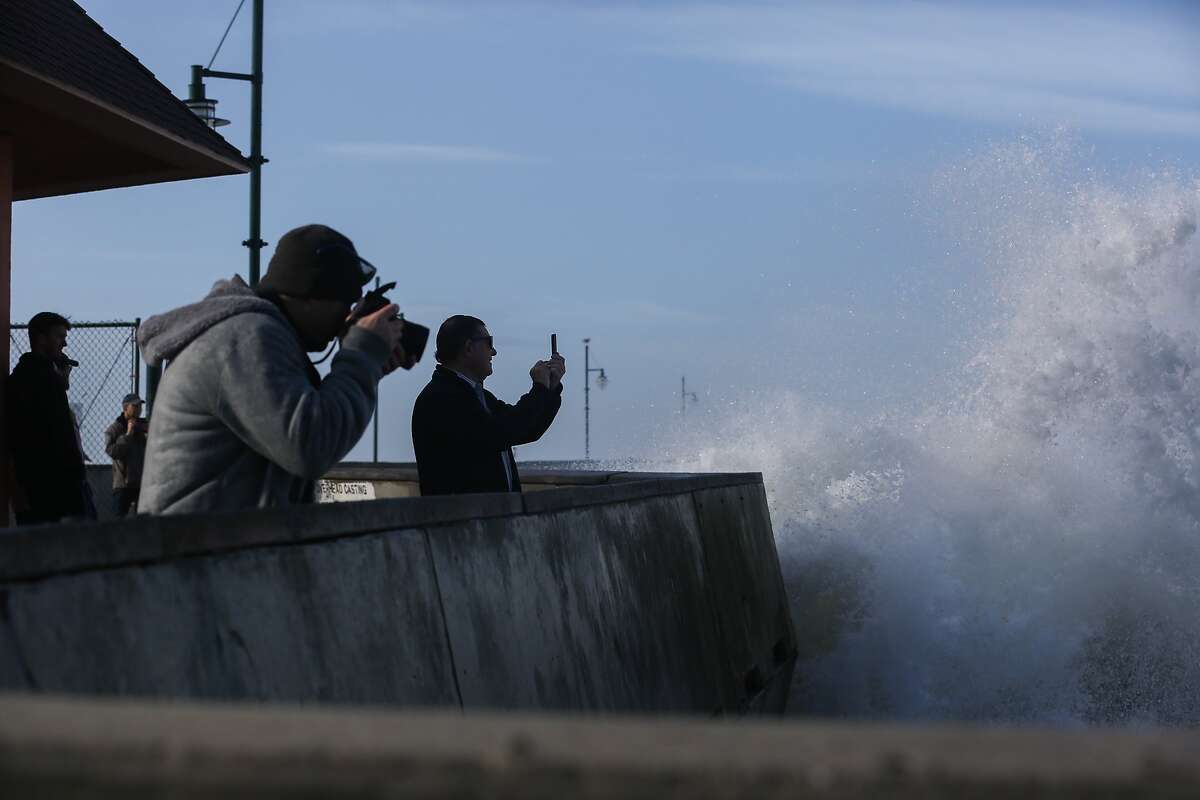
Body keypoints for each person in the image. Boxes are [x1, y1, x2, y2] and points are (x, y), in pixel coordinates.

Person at [137, 224, 410, 515]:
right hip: (193, 552)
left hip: (209, 547)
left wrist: (366, 366)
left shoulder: (262, 336)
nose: (346, 319)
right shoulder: (244, 337)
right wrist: (360, 356)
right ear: (311, 295)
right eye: (344, 305)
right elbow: (310, 445)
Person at [412, 315, 564, 495]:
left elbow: (529, 429)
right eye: (488, 343)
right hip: (463, 518)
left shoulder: (476, 395)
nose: (493, 352)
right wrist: (539, 388)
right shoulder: (441, 398)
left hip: (483, 517)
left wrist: (551, 389)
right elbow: (503, 431)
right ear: (468, 347)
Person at [6, 311, 96, 524]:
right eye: (59, 337)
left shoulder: (35, 377)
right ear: (41, 338)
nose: (64, 344)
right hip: (50, 489)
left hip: (51, 487)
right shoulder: (35, 380)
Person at [104, 393, 147, 517]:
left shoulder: (142, 426)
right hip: (123, 484)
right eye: (135, 406)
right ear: (125, 408)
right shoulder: (115, 429)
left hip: (141, 483)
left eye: (140, 406)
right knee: (118, 521)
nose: (139, 409)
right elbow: (111, 451)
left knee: (144, 522)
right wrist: (127, 435)